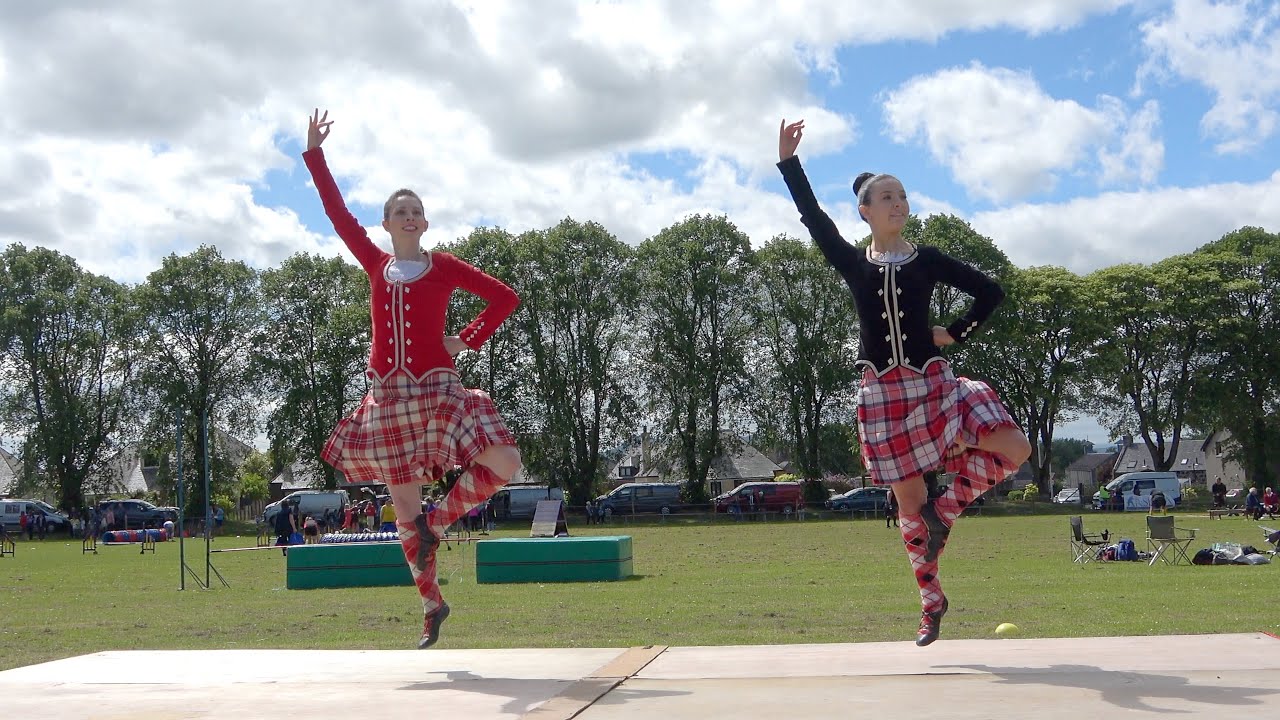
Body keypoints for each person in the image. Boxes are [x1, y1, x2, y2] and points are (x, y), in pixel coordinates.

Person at [776, 119, 1030, 647]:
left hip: (936, 386)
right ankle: (931, 603)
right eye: (886, 197)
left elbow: (991, 292)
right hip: (883, 397)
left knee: (1015, 447)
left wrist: (954, 332)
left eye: (903, 196)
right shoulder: (852, 263)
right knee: (909, 508)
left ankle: (950, 508)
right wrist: (789, 162)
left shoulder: (928, 261)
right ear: (865, 210)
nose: (898, 203)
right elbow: (813, 218)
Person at [304, 109, 522, 649]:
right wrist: (315, 155)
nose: (408, 215)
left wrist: (465, 339)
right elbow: (335, 212)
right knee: (403, 511)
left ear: (424, 224)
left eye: (416, 211)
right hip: (389, 398)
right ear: (385, 223)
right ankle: (431, 605)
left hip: (438, 389)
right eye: (399, 210)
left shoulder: (443, 265)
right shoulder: (374, 262)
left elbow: (505, 298)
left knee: (505, 461)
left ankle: (441, 521)